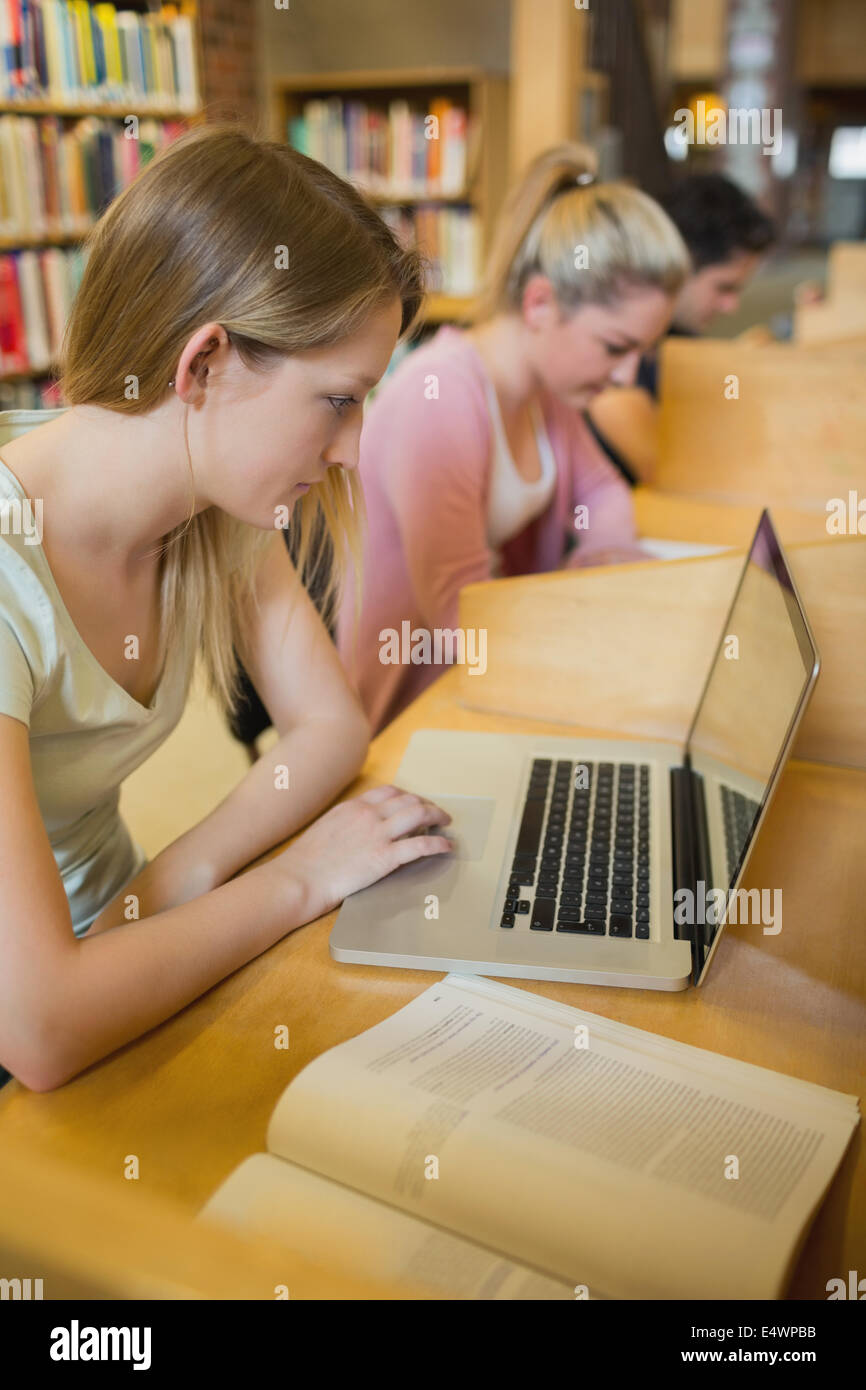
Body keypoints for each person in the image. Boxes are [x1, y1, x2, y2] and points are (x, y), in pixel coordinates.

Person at [0, 124, 455, 1093]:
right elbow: (39, 1027)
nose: (349, 447)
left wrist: (171, 885)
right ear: (202, 364)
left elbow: (329, 726)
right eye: (337, 399)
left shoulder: (213, 504)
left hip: (127, 945)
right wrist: (293, 877)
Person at [335, 143, 692, 736]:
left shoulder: (548, 389)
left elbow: (602, 491)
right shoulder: (441, 396)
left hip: (496, 677)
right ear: (540, 303)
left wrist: (604, 557)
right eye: (614, 347)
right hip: (414, 715)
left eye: (641, 353)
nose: (627, 377)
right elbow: (460, 618)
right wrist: (588, 596)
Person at [586, 172, 776, 485]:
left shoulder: (680, 338)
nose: (731, 306)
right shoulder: (620, 338)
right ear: (682, 263)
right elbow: (667, 472)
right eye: (724, 288)